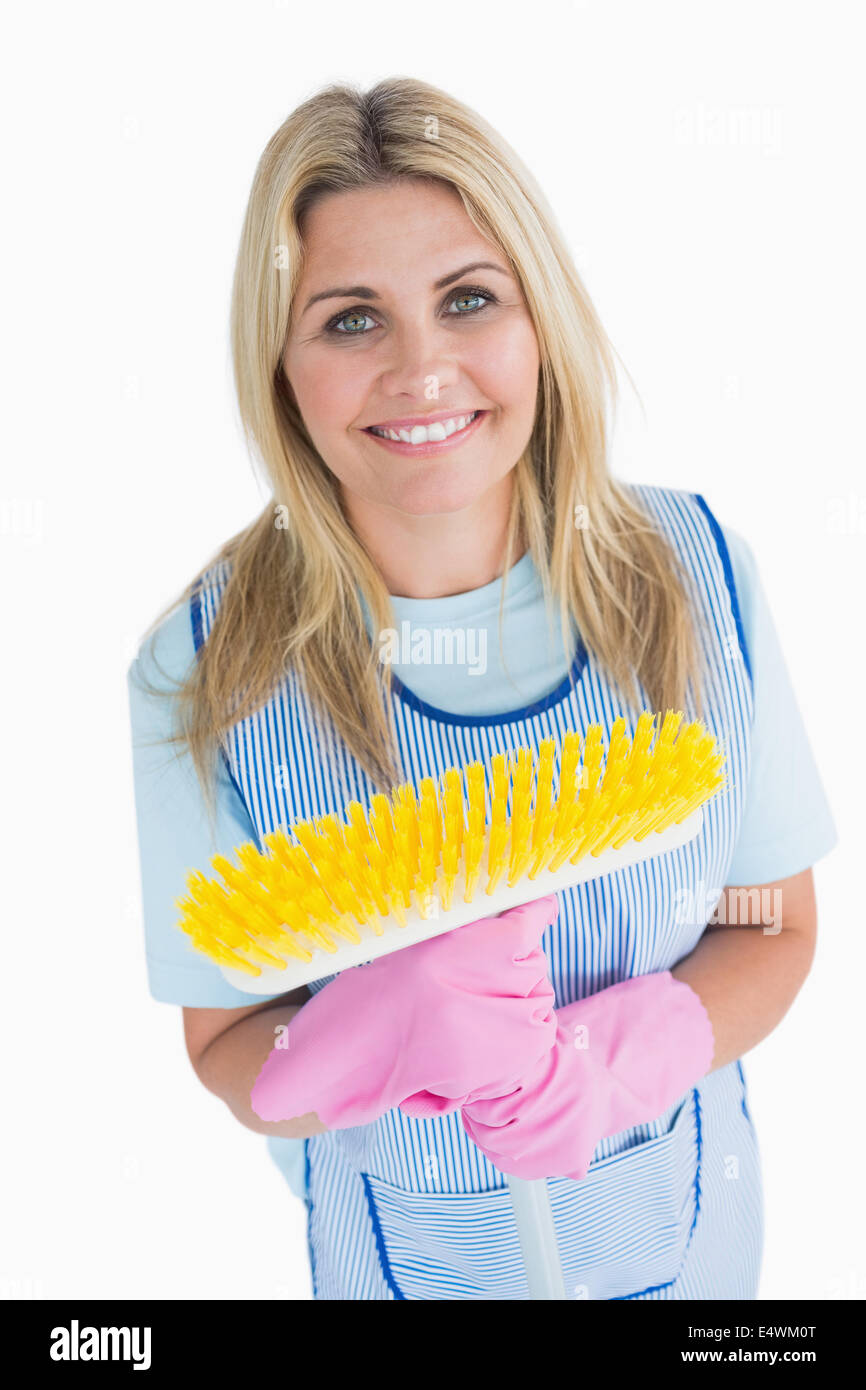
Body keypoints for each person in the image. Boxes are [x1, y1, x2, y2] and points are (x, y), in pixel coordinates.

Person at [128, 77, 837, 1300]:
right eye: (350, 319)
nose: (422, 369)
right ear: (279, 364)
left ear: (538, 319)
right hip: (401, 1260)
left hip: (691, 1241)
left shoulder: (694, 574)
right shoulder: (204, 667)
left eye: (468, 299)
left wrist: (618, 1059)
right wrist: (359, 1033)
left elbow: (773, 925)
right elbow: (223, 1040)